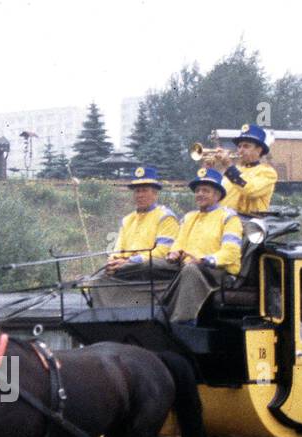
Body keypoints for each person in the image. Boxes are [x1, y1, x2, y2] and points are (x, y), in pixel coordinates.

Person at [85, 165, 180, 308]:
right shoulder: (127, 220)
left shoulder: (165, 217)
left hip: (150, 267)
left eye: (144, 190)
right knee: (94, 280)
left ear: (155, 193)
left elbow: (163, 252)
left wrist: (130, 261)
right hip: (127, 267)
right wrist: (113, 261)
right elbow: (117, 250)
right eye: (137, 191)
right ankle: (105, 313)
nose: (139, 195)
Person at [161, 167, 244, 322]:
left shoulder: (229, 218)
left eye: (205, 190)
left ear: (217, 195)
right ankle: (151, 312)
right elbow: (179, 242)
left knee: (191, 270)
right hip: (188, 265)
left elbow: (231, 252)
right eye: (198, 191)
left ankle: (183, 322)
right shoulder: (189, 217)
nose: (200, 194)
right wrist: (174, 253)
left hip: (216, 270)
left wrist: (205, 260)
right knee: (155, 265)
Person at [208, 123, 278, 215]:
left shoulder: (267, 172)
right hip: (226, 218)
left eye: (246, 146)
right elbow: (215, 196)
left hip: (250, 220)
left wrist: (229, 166)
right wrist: (209, 169)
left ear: (259, 150)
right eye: (239, 146)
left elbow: (250, 190)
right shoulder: (233, 170)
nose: (240, 150)